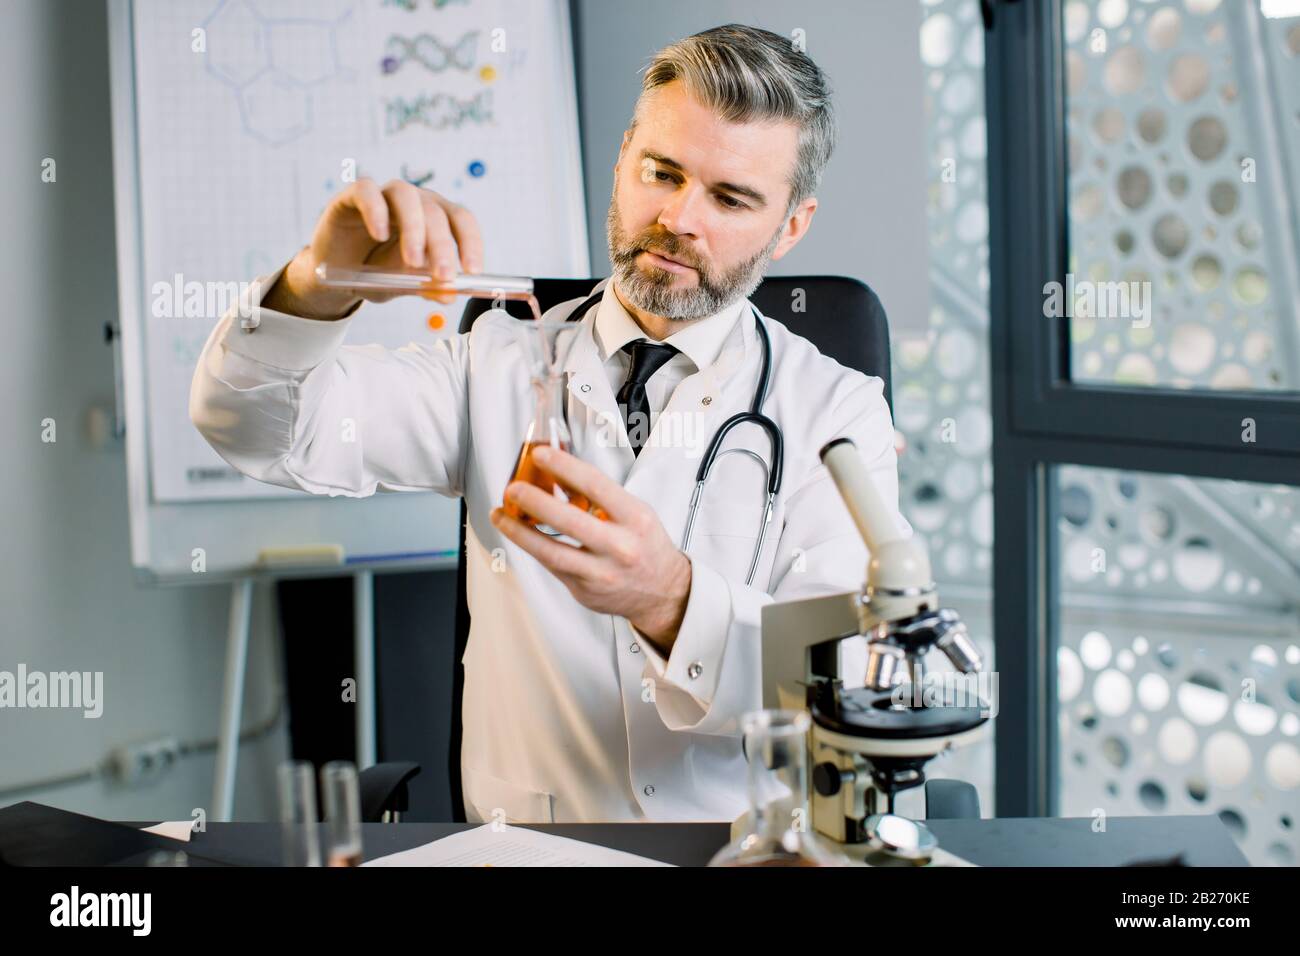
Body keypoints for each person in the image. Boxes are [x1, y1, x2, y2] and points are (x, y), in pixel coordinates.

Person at [190, 23, 909, 823]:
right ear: (623, 157)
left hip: (740, 854)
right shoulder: (491, 365)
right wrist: (317, 284)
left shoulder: (836, 409)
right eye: (661, 172)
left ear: (792, 225)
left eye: (730, 197)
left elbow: (846, 681)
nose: (678, 218)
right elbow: (253, 427)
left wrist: (670, 599)